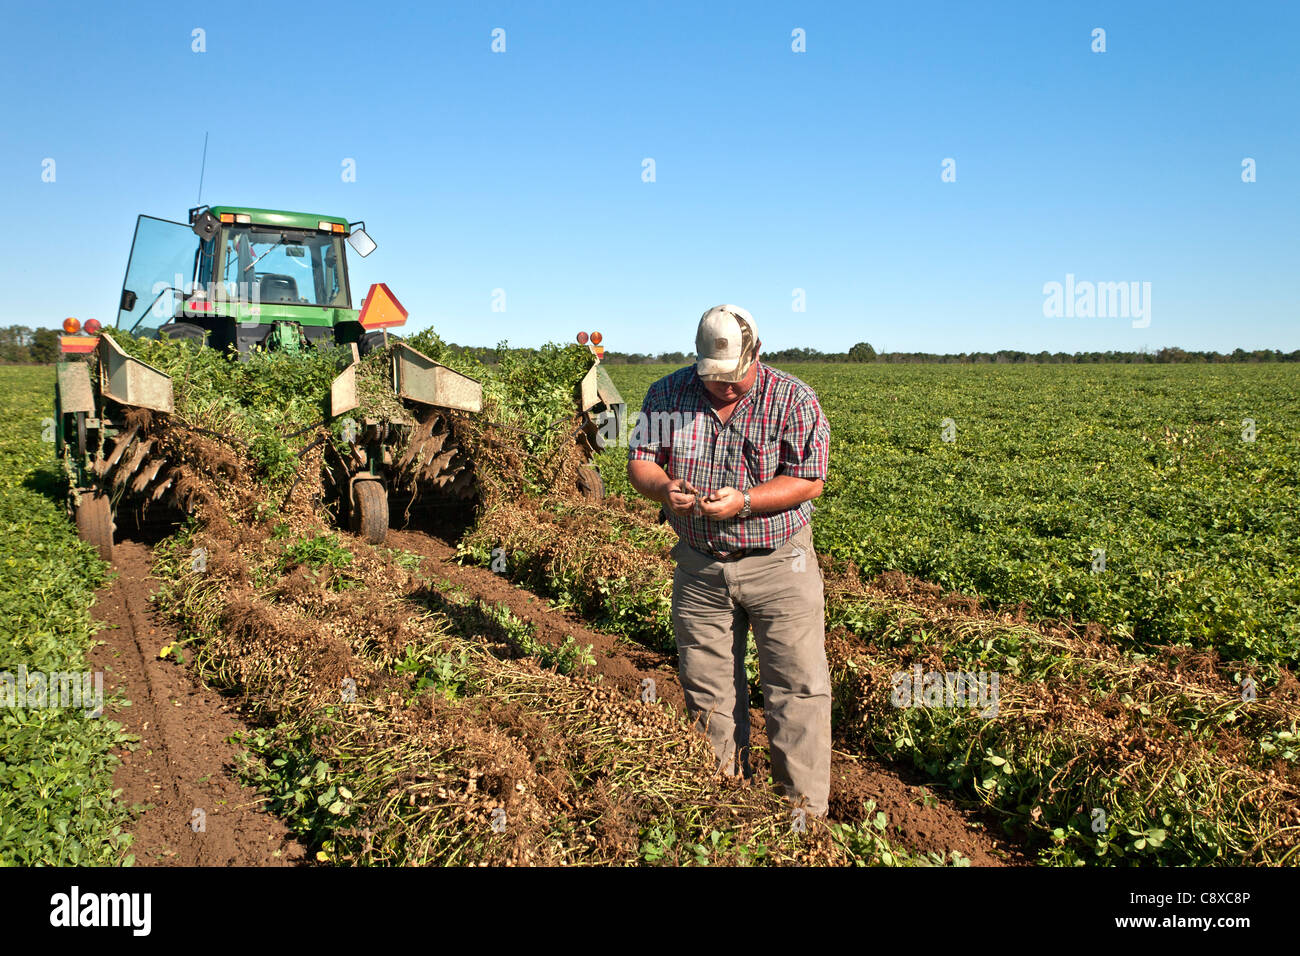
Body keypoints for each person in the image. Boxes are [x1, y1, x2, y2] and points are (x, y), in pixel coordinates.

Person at [627, 304, 832, 815]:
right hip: (700, 565)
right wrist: (664, 487)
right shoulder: (667, 393)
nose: (725, 388)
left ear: (756, 354)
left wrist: (744, 501)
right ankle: (721, 805)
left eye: (734, 378)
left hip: (780, 564)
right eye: (714, 379)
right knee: (706, 687)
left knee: (796, 688)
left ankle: (802, 817)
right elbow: (640, 463)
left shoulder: (794, 398)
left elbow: (810, 479)